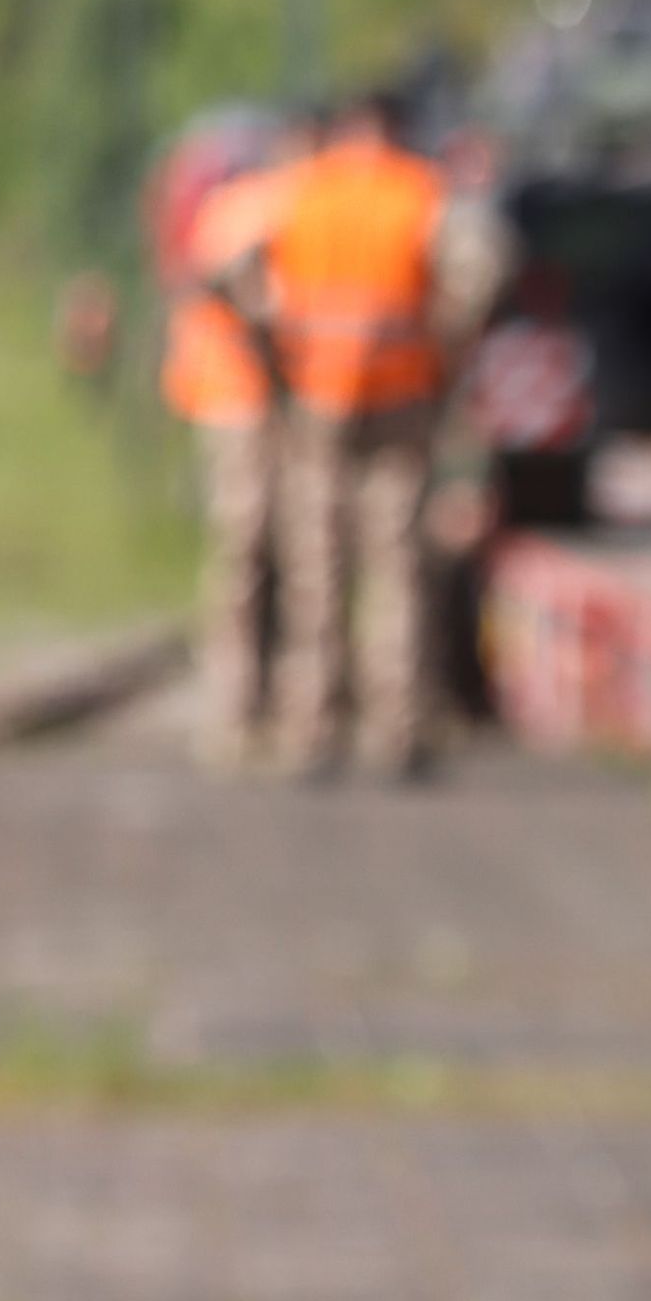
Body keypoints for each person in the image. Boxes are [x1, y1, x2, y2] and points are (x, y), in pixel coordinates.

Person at [223, 86, 500, 781]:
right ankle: (396, 728)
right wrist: (446, 349)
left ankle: (310, 725)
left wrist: (274, 355)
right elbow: (482, 268)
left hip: (316, 399)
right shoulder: (418, 192)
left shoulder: (301, 192)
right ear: (394, 128)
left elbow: (234, 271)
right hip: (403, 397)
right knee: (396, 564)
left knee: (316, 566)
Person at [157, 119, 298, 770]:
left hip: (224, 398)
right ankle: (243, 711)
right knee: (256, 555)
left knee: (250, 555)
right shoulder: (268, 206)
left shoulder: (228, 207)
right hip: (249, 399)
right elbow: (253, 302)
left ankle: (243, 708)